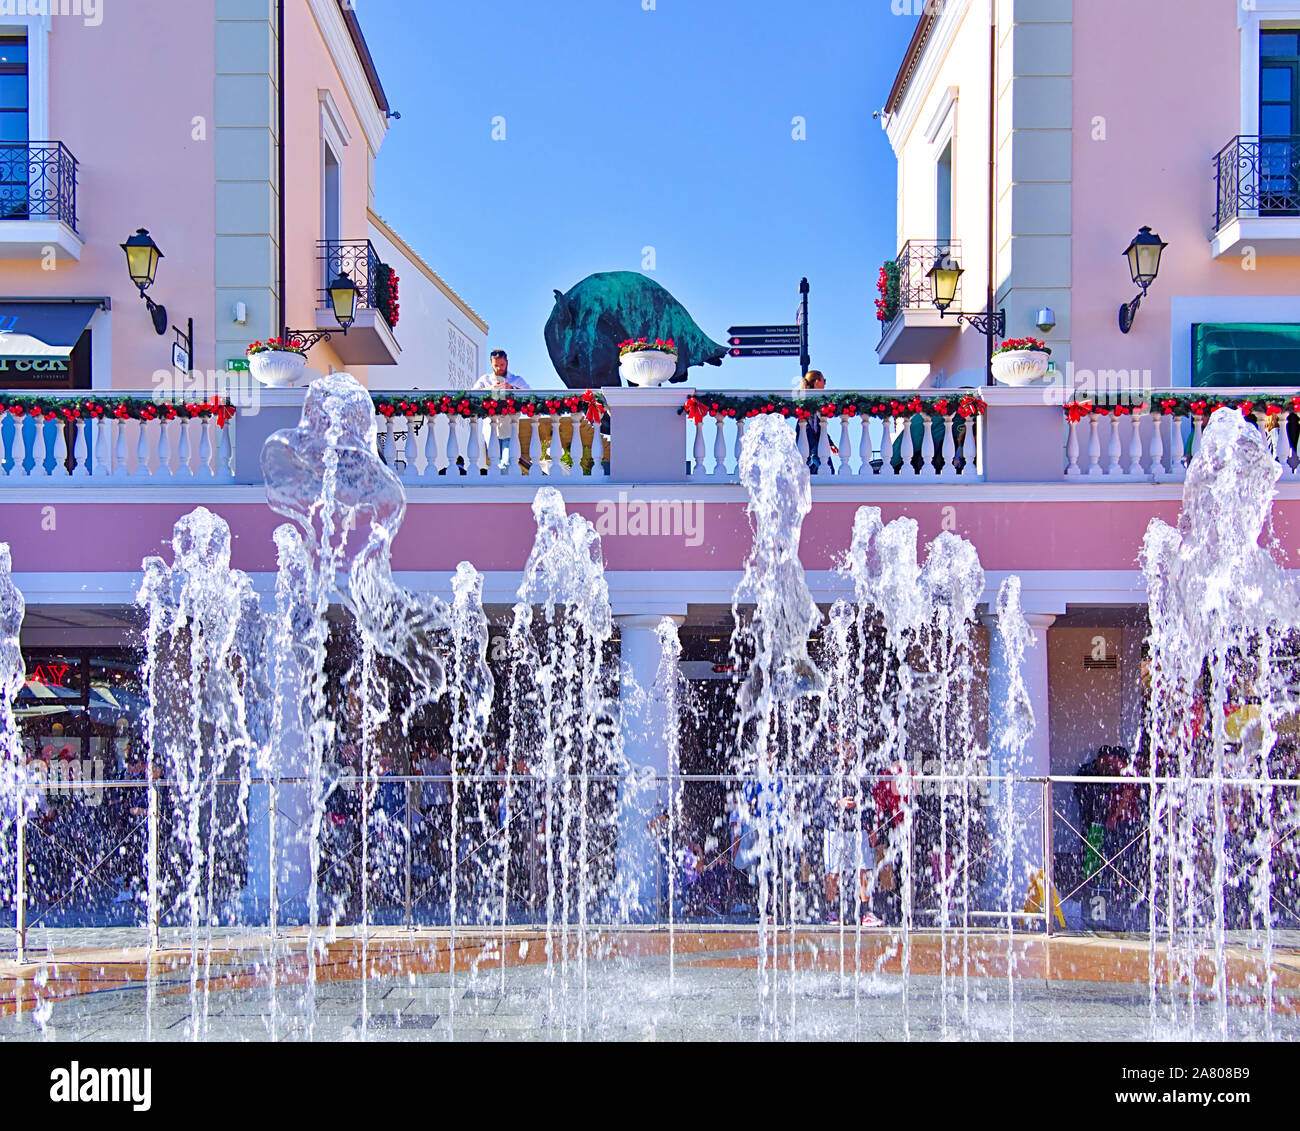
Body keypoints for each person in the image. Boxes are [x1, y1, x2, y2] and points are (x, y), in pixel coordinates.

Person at [474, 349, 531, 472]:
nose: (499, 368)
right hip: (491, 429)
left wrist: (512, 388)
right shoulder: (485, 380)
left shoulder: (517, 380)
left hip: (510, 429)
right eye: (496, 365)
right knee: (495, 462)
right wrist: (490, 388)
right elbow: (473, 394)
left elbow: (531, 395)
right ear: (491, 364)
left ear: (507, 363)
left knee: (507, 463)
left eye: (502, 365)